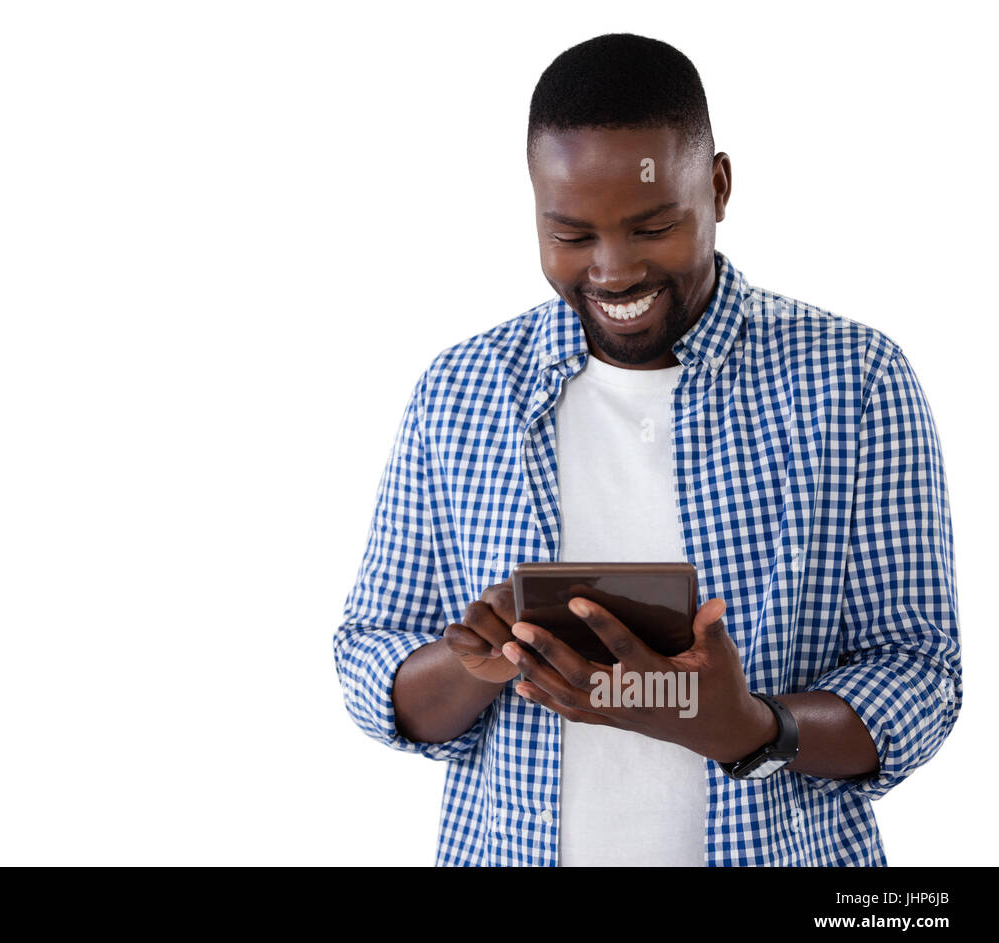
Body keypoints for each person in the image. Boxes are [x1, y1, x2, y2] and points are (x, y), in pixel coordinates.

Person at [331, 33, 962, 867]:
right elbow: (368, 656)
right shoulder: (460, 387)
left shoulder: (856, 379)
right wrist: (468, 665)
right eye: (571, 233)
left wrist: (751, 728)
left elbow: (921, 673)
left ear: (721, 186)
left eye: (653, 225)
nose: (613, 269)